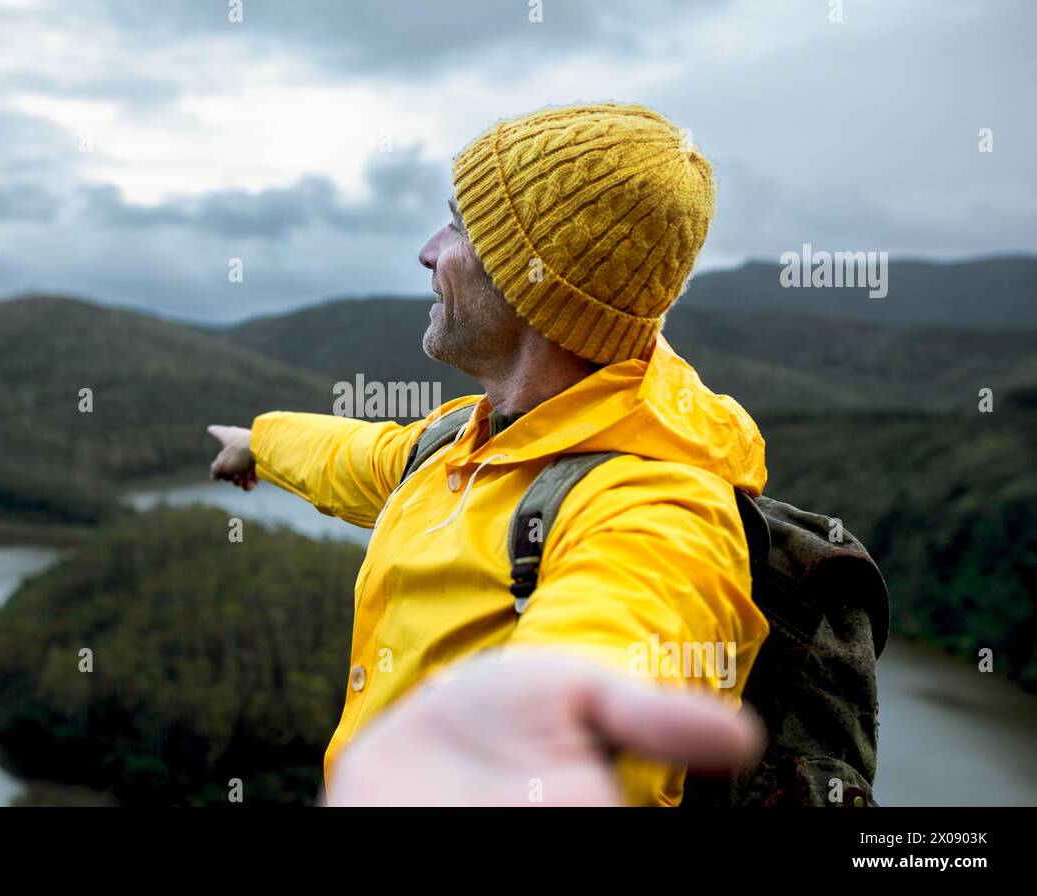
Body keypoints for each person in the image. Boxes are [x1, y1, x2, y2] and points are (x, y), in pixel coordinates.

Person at [208, 103, 769, 806]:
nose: (427, 250)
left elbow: (622, 622)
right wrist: (257, 441)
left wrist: (534, 740)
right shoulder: (472, 441)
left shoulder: (658, 510)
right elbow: (363, 454)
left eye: (461, 224)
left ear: (531, 280)